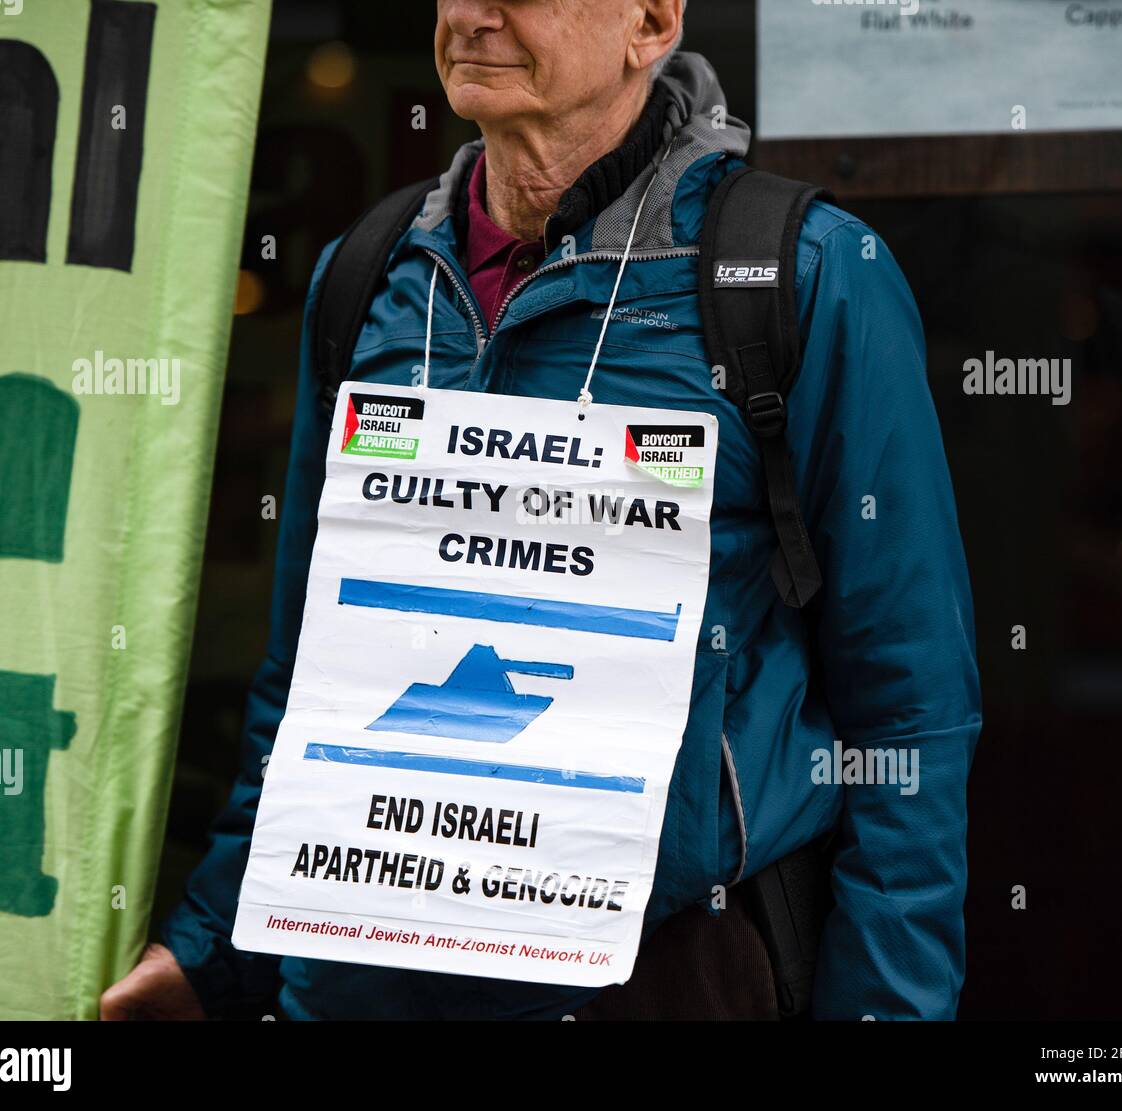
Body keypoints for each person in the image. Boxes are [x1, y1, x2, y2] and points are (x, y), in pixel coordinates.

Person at [102, 0, 980, 1021]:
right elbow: (310, 671)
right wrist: (211, 952)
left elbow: (907, 711)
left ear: (650, 21)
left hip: (660, 980)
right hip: (362, 978)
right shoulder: (370, 272)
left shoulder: (802, 275)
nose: (471, 13)